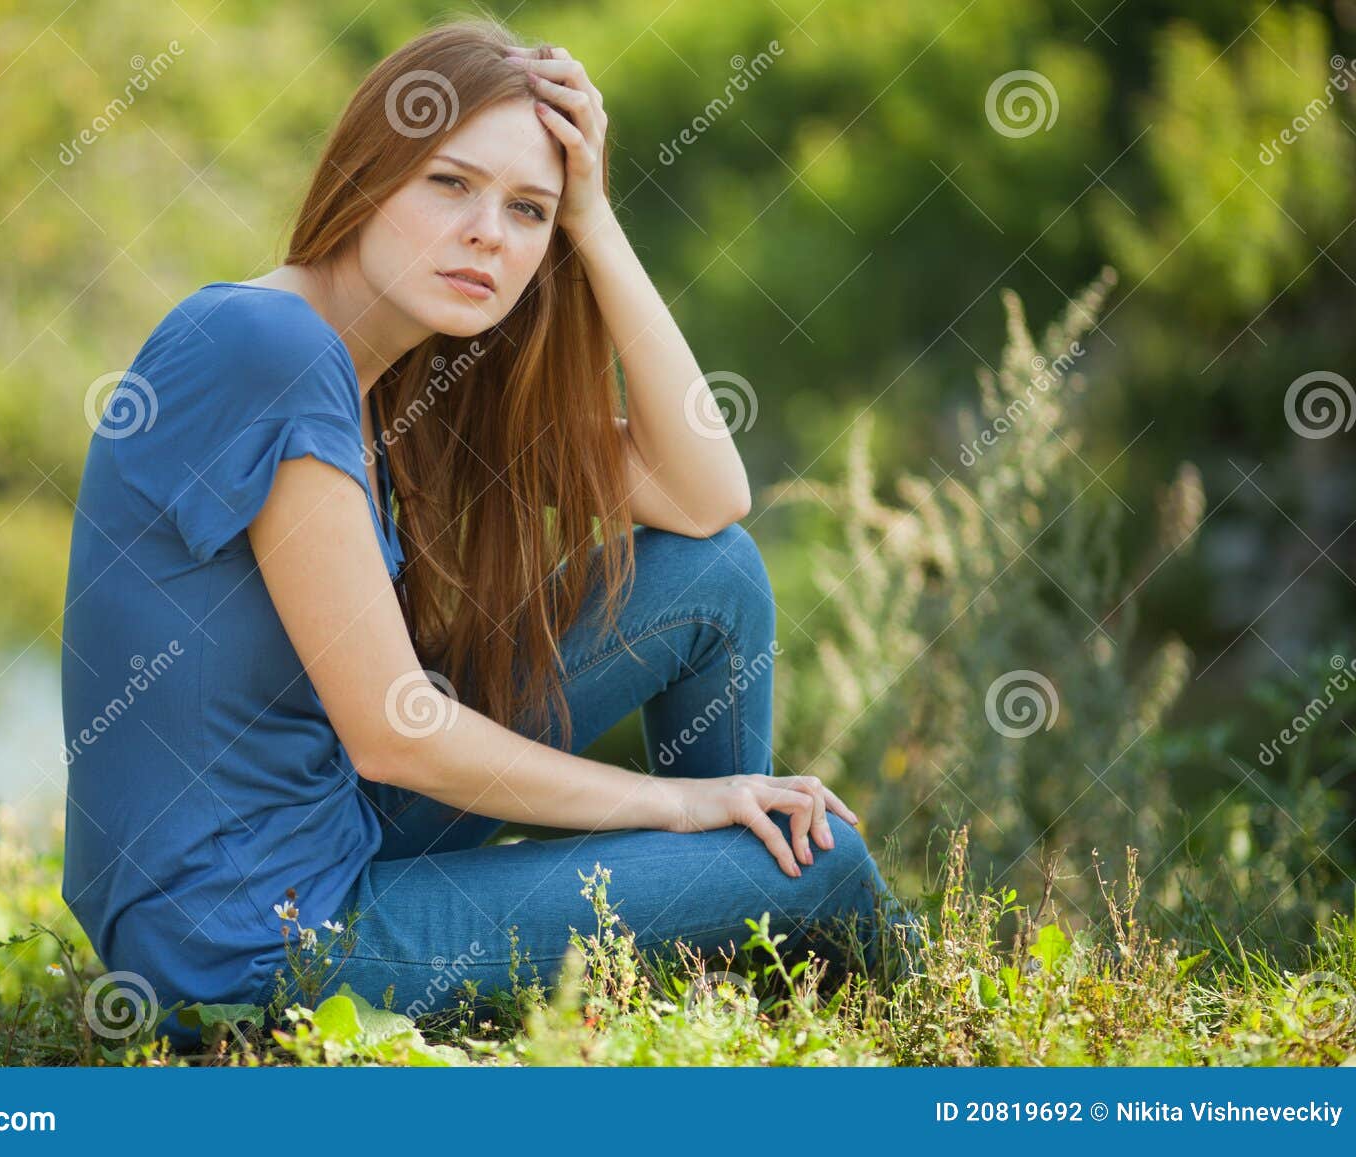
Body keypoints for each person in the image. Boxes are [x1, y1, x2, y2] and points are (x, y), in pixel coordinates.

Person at [60, 16, 917, 1049]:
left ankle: (740, 927)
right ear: (366, 176)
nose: (489, 235)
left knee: (713, 578)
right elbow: (394, 728)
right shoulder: (267, 346)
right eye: (449, 185)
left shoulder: (397, 387)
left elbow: (707, 499)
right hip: (253, 949)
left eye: (529, 211)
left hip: (337, 834)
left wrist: (597, 221)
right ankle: (876, 1004)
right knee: (822, 866)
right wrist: (683, 805)